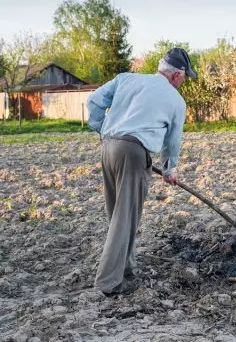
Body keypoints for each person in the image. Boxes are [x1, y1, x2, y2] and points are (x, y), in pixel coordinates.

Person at [87, 47, 196, 295]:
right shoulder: (176, 101)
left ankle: (126, 267)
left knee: (116, 212)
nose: (184, 81)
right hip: (134, 153)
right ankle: (109, 283)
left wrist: (101, 128)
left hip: (109, 147)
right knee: (125, 217)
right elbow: (172, 141)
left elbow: (92, 101)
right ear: (177, 75)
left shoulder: (127, 79)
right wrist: (170, 169)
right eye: (185, 77)